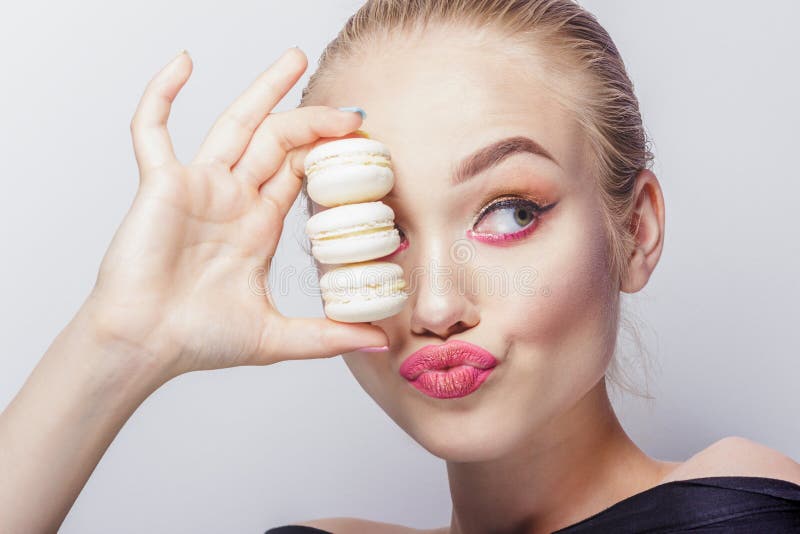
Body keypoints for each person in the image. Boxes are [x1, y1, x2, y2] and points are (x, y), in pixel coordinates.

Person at [1, 0, 799, 533]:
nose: (437, 305)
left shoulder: (730, 507)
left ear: (639, 229)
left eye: (511, 212)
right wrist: (120, 340)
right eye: (372, 230)